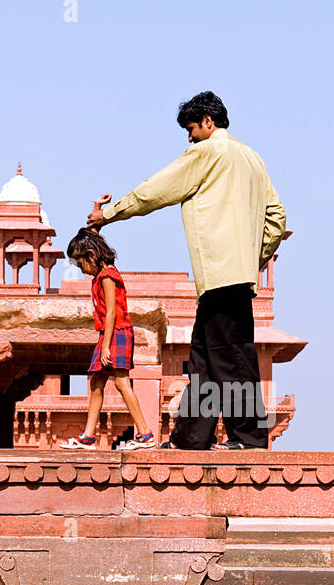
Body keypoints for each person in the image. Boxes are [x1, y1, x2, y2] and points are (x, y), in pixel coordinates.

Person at [86, 90, 287, 449]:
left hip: (219, 275)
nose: (189, 137)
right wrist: (251, 258)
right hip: (232, 278)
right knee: (204, 360)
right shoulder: (253, 158)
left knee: (230, 357)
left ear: (209, 123)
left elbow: (156, 190)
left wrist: (110, 212)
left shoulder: (207, 152)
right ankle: (191, 438)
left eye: (192, 128)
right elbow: (277, 218)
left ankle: (248, 438)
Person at [64, 227, 157, 450]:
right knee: (96, 382)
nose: (81, 270)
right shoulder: (100, 272)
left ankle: (145, 434)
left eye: (80, 263)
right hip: (109, 333)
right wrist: (97, 213)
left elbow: (112, 312)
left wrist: (105, 347)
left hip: (117, 332)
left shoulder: (107, 276)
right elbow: (90, 233)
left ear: (91, 255)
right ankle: (88, 437)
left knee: (121, 381)